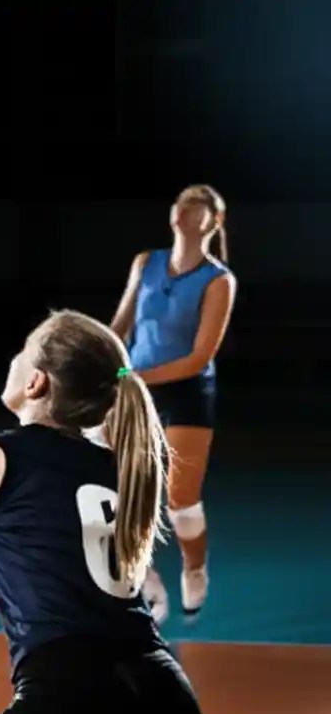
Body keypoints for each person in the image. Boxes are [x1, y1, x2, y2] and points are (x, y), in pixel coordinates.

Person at [0, 310, 201, 714]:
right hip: (164, 689)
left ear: (36, 381)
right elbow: (58, 580)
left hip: (68, 692)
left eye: (22, 351)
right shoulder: (118, 467)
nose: (14, 359)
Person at [109, 184, 236, 621]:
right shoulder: (147, 263)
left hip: (186, 390)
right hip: (136, 389)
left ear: (213, 223)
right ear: (171, 215)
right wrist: (105, 362)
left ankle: (194, 568)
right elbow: (122, 324)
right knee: (122, 490)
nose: (187, 212)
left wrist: (135, 376)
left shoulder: (218, 280)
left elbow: (200, 356)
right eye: (182, 204)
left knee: (179, 498)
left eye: (199, 208)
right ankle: (147, 578)